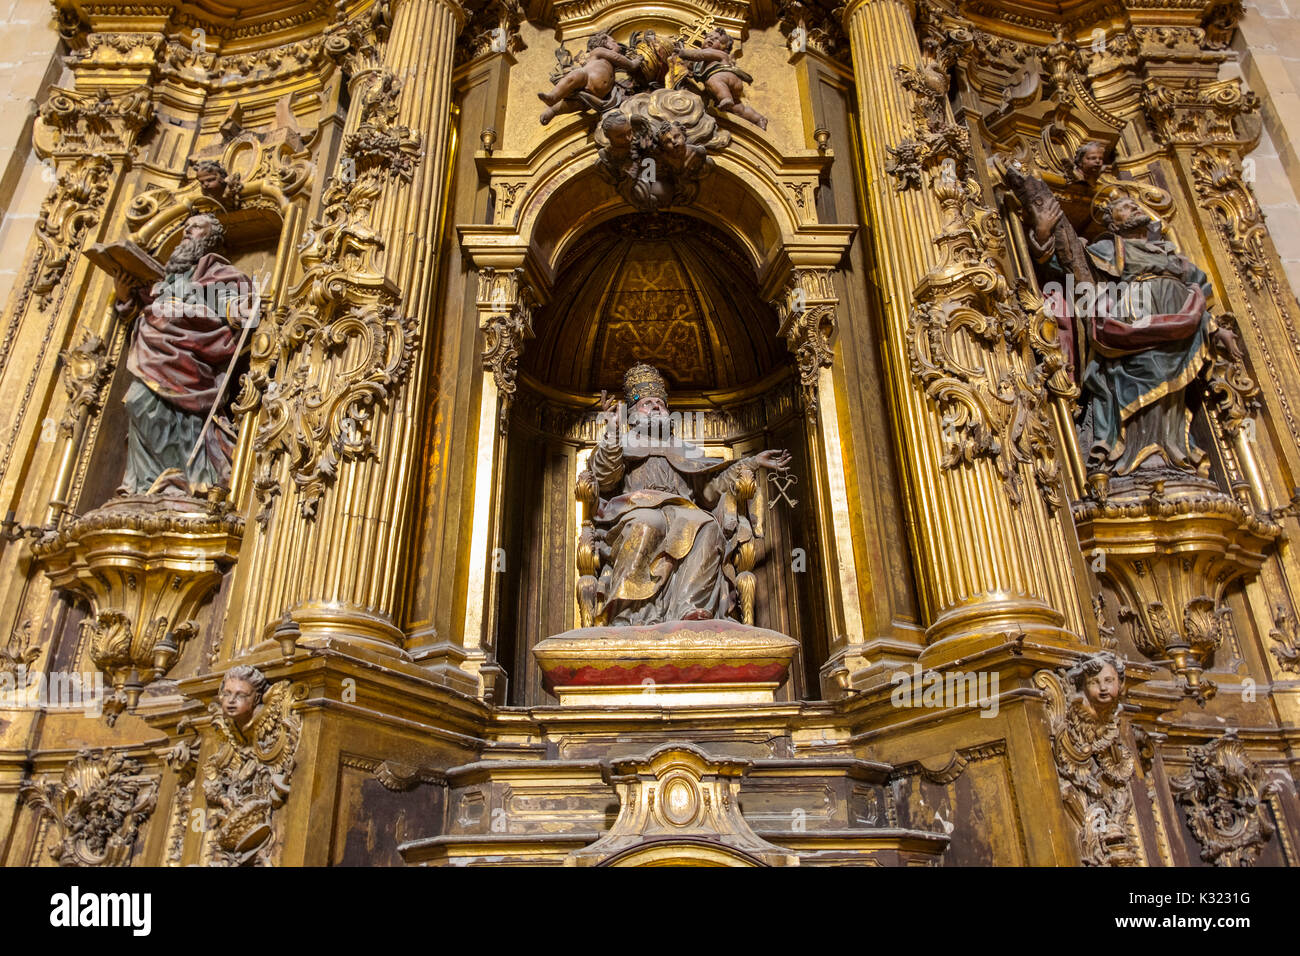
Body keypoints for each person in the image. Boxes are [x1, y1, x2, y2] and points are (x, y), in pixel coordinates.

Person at [1028, 194, 1237, 476]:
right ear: (1112, 222)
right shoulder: (1106, 249)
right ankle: (1134, 455)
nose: (1135, 207)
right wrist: (1042, 232)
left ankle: (1172, 452)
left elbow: (1196, 294)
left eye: (1135, 204)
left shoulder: (1168, 253)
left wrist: (1214, 329)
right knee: (1136, 379)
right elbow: (1066, 266)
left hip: (1181, 334)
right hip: (1131, 331)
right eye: (1125, 207)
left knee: (1171, 399)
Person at [589, 363, 790, 625]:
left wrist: (751, 463)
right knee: (649, 523)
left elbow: (709, 491)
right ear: (632, 414)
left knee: (708, 527)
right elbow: (605, 479)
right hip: (636, 509)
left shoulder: (684, 448)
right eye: (647, 403)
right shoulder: (621, 442)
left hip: (684, 512)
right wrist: (613, 433)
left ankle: (690, 608)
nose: (656, 407)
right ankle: (630, 614)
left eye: (660, 403)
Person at [116, 213, 255, 494]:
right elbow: (144, 308)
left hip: (190, 358)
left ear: (210, 240)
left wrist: (238, 310)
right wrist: (124, 296)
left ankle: (180, 479)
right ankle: (147, 483)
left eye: (195, 228)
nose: (186, 232)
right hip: (153, 352)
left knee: (166, 410)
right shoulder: (168, 279)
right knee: (137, 401)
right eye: (185, 228)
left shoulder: (217, 273)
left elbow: (230, 303)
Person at [538, 32, 643, 125]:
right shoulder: (598, 51)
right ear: (605, 43)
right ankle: (553, 97)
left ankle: (552, 111)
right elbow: (618, 58)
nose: (617, 44)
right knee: (575, 76)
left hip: (598, 95)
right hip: (587, 77)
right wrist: (633, 64)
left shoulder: (610, 64)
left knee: (578, 104)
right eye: (613, 41)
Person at [674, 29, 768, 130]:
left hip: (726, 78)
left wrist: (683, 53)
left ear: (725, 48)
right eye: (708, 37)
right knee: (738, 109)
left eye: (717, 39)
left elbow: (699, 55)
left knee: (713, 81)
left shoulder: (719, 54)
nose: (710, 40)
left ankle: (726, 98)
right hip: (724, 87)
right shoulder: (701, 63)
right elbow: (692, 65)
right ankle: (758, 119)